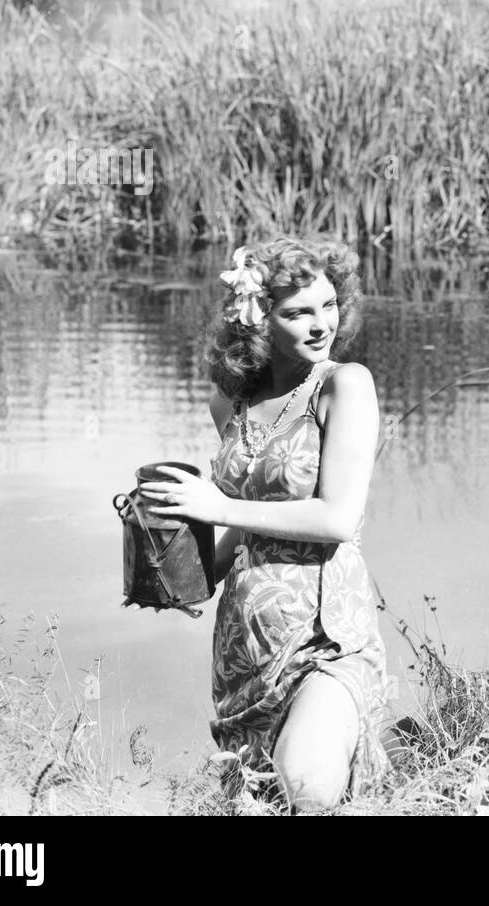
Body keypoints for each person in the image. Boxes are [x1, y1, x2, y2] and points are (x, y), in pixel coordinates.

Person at [139, 236, 391, 809]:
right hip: (244, 650)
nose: (320, 324)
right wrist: (183, 577)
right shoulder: (230, 401)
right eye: (297, 312)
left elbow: (337, 519)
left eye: (327, 306)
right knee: (261, 802)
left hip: (326, 638)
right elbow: (250, 526)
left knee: (305, 782)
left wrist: (216, 507)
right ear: (257, 321)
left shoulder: (344, 385)